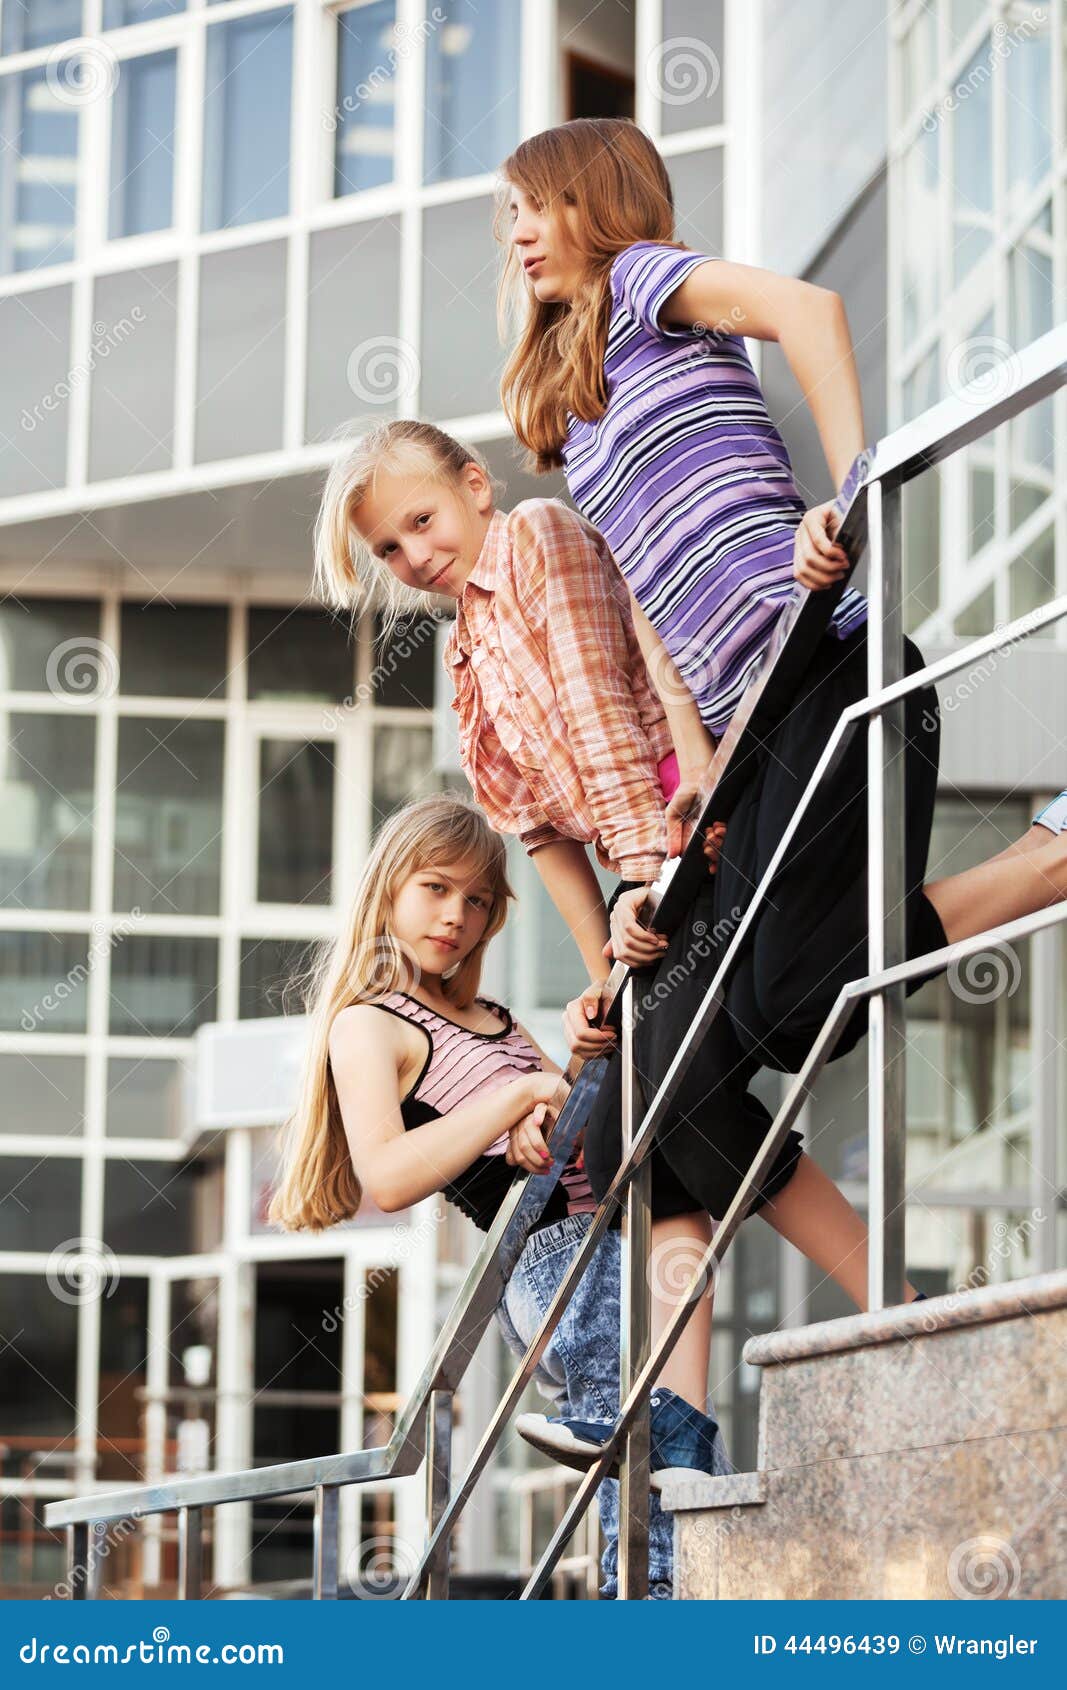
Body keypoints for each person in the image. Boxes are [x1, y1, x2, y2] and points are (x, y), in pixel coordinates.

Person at [489, 115, 1067, 1462]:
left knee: (778, 1003)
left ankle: (1043, 860)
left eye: (532, 206)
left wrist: (855, 482)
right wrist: (693, 765)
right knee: (710, 1037)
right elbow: (645, 603)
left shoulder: (646, 285)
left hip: (831, 663)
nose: (515, 234)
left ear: (595, 204)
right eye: (505, 217)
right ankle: (1045, 860)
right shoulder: (578, 412)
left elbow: (805, 308)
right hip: (751, 734)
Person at [267, 794, 729, 1600]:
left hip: (614, 1234)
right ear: (387, 891)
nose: (457, 916)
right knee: (646, 1468)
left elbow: (554, 1120)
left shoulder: (490, 1016)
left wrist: (575, 1055)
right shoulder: (370, 1024)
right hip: (554, 1257)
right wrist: (515, 1102)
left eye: (478, 900)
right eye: (436, 889)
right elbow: (388, 1173)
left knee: (683, 1461)